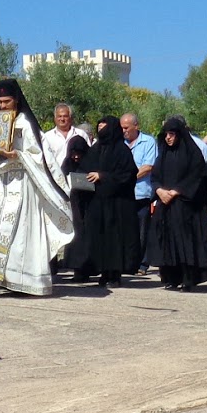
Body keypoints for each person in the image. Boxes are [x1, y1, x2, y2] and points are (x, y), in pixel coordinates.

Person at [0, 79, 72, 295]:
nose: (2, 106)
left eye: (6, 101)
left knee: (19, 233)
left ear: (16, 100)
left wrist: (17, 155)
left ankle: (22, 281)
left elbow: (39, 157)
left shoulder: (26, 124)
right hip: (2, 183)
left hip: (23, 184)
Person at [78, 115, 140, 288]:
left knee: (115, 240)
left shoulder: (122, 150)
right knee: (100, 239)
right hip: (97, 204)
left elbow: (127, 175)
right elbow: (84, 169)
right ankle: (103, 272)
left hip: (117, 205)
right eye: (99, 128)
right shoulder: (95, 149)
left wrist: (103, 176)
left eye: (104, 128)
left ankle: (114, 274)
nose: (101, 131)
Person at [151, 117, 207, 289]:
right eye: (166, 135)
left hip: (186, 206)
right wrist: (159, 191)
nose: (168, 138)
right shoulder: (163, 153)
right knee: (168, 242)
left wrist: (178, 190)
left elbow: (198, 175)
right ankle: (172, 277)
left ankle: (189, 278)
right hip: (166, 204)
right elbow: (155, 176)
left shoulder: (192, 152)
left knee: (186, 242)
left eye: (171, 134)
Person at [120, 112, 160, 273]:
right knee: (125, 230)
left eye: (126, 127)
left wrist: (128, 178)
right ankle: (126, 262)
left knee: (142, 230)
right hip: (123, 194)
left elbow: (148, 166)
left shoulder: (148, 141)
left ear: (136, 126)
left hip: (141, 193)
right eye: (121, 127)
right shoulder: (120, 143)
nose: (124, 131)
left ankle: (142, 263)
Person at [58, 133, 96, 281]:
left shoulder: (91, 162)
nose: (76, 157)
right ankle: (76, 269)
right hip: (74, 206)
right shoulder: (67, 163)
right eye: (73, 154)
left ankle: (87, 270)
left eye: (79, 154)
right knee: (76, 239)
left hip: (89, 205)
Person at [41, 102, 90, 190]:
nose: (62, 119)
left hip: (79, 179)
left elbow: (90, 156)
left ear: (70, 118)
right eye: (59, 116)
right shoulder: (47, 137)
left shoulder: (81, 134)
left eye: (65, 116)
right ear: (55, 118)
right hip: (56, 179)